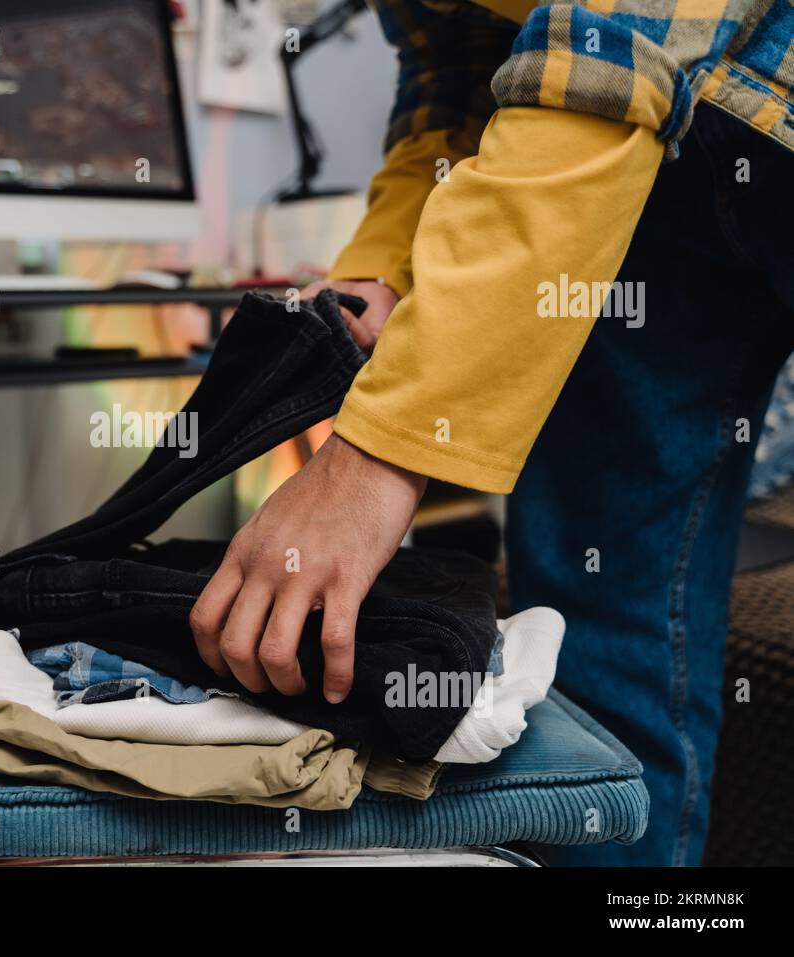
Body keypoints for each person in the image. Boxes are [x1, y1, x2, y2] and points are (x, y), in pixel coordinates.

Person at [189, 0, 794, 866]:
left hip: (651, 100)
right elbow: (460, 58)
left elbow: (610, 48)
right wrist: (384, 264)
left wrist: (378, 456)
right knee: (606, 627)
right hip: (648, 176)